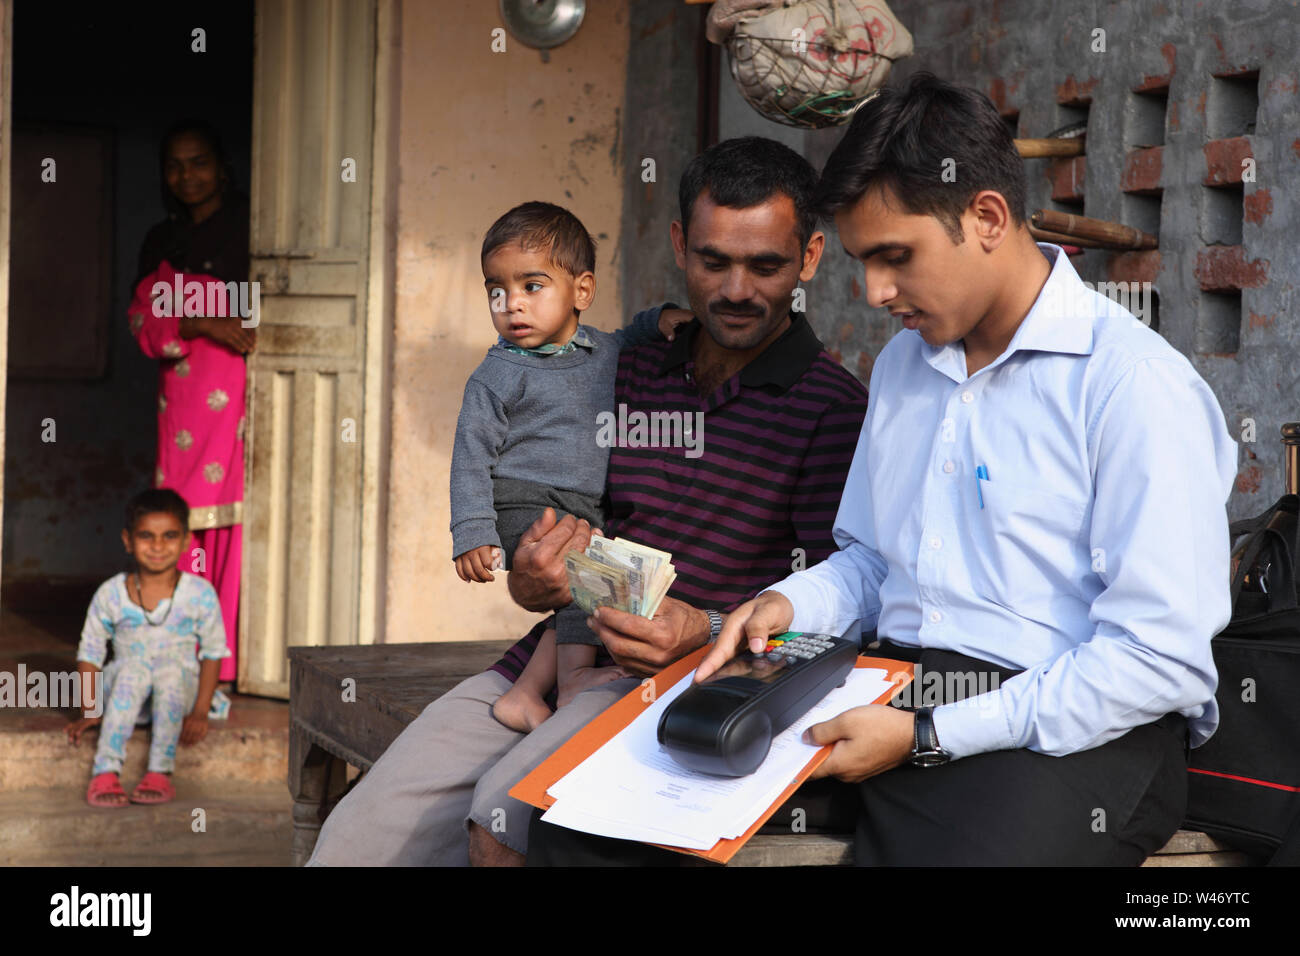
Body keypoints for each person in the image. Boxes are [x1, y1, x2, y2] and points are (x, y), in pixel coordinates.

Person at [528, 73, 1239, 866]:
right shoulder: (908, 363)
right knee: (585, 833)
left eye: (895, 257)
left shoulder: (1130, 384)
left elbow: (1157, 659)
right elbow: (872, 562)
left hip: (1069, 723)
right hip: (885, 686)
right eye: (864, 261)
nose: (873, 292)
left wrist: (930, 733)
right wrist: (782, 604)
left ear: (988, 219)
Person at [307, 136, 869, 866]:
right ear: (678, 245)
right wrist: (527, 573)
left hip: (688, 690)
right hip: (549, 662)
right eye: (713, 261)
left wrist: (706, 627)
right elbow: (538, 503)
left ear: (812, 258)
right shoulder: (617, 363)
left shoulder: (832, 409)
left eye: (765, 266)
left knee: (500, 826)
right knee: (350, 846)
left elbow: (840, 617)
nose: (736, 290)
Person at [451, 201, 687, 732]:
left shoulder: (601, 351)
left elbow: (632, 335)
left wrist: (663, 318)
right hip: (521, 503)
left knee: (586, 593)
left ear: (582, 291)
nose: (511, 305)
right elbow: (470, 455)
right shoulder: (497, 375)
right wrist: (472, 531)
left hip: (579, 505)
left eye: (531, 287)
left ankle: (527, 692)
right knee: (587, 580)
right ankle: (574, 682)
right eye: (497, 290)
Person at [128, 119, 251, 684]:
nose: (187, 175)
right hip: (182, 403)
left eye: (198, 161)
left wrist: (230, 325)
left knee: (237, 523)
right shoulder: (161, 242)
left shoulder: (253, 228)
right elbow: (144, 324)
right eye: (175, 165)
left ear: (221, 166)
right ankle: (181, 660)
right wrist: (202, 322)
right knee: (184, 523)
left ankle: (224, 668)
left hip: (242, 400)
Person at [66, 489, 228, 807]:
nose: (157, 546)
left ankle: (159, 771)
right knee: (134, 670)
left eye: (169, 536)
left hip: (176, 693)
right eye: (146, 536)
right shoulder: (111, 593)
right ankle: (105, 770)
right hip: (126, 690)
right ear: (128, 540)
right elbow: (91, 651)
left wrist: (199, 712)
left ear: (185, 541)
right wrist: (90, 709)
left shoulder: (199, 593)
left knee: (168, 672)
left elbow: (213, 652)